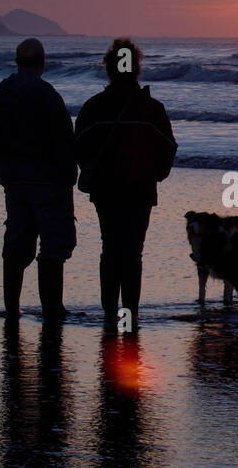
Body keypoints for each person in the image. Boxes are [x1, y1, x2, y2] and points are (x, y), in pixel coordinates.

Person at [75, 38, 177, 332]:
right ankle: (129, 314)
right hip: (140, 189)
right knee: (132, 252)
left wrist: (92, 168)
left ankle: (110, 314)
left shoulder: (94, 107)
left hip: (105, 190)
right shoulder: (151, 108)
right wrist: (156, 175)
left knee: (110, 248)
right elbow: (169, 147)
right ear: (136, 68)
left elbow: (78, 146)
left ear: (109, 69)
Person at [0, 38, 77, 320]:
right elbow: (63, 138)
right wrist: (69, 175)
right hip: (47, 180)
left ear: (17, 62)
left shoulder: (1, 94)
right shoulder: (47, 94)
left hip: (14, 179)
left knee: (17, 241)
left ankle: (12, 307)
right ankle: (52, 307)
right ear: (42, 63)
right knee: (53, 243)